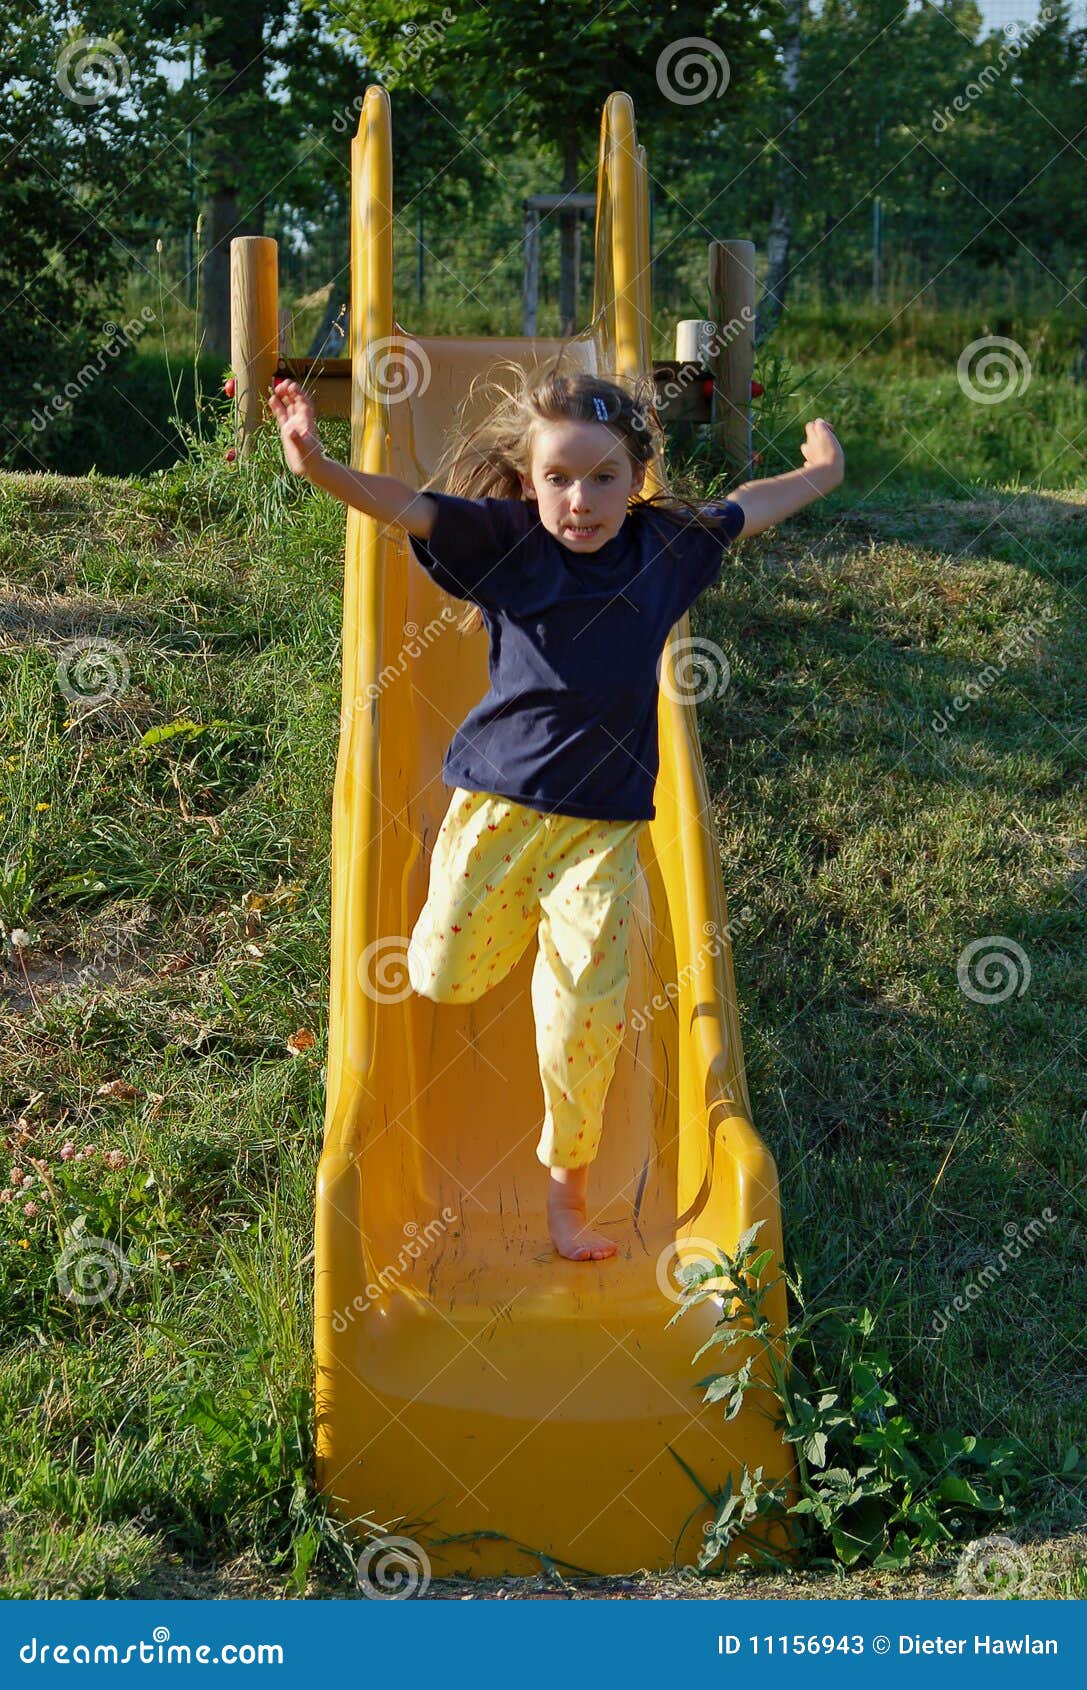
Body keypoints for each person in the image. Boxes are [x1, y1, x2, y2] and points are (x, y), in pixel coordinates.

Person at [270, 357, 844, 1262]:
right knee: (440, 977)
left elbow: (746, 506)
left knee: (585, 1021)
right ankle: (523, 929)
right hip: (497, 811)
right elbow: (404, 505)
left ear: (637, 477)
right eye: (558, 478)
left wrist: (819, 473)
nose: (580, 500)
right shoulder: (509, 543)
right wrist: (316, 464)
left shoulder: (663, 549)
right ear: (528, 479)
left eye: (604, 478)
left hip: (602, 832)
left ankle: (565, 1206)